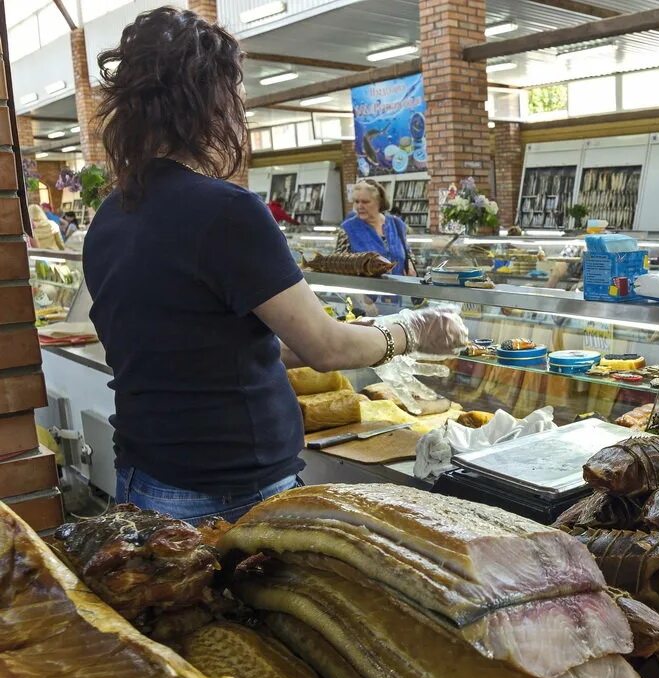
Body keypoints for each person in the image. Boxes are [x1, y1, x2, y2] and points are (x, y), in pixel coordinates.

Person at [83, 7, 468, 523]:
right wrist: (411, 328)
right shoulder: (225, 210)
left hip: (144, 478)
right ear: (212, 102)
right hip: (229, 496)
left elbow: (198, 348)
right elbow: (327, 347)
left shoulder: (112, 214)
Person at [335, 179, 414, 276]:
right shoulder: (347, 229)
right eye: (356, 201)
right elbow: (338, 266)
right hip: (364, 289)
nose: (359, 206)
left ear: (379, 202)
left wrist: (410, 265)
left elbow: (408, 255)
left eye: (365, 202)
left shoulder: (397, 224)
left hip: (398, 289)